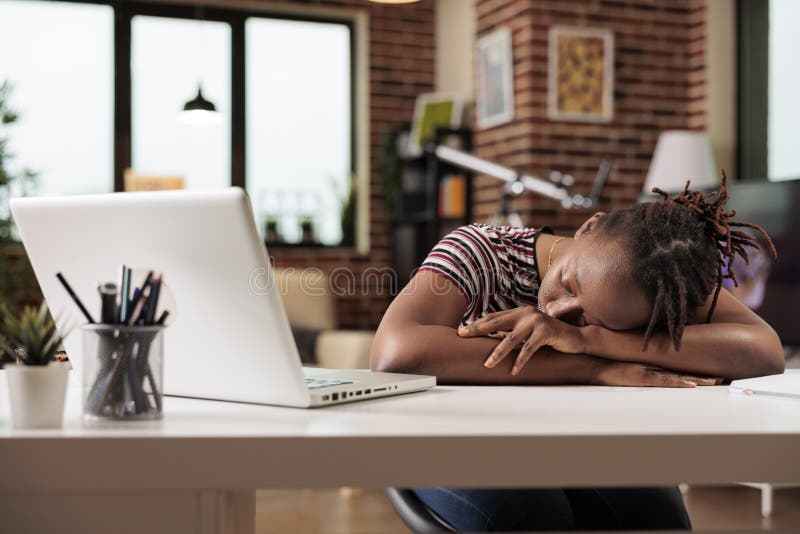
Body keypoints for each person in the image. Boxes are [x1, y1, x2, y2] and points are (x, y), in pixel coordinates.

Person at [370, 175, 784, 532]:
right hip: (454, 437)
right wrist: (593, 369)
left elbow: (764, 353)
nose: (555, 311)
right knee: (536, 514)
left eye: (590, 317)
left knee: (657, 519)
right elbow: (395, 354)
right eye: (569, 283)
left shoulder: (654, 280)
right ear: (589, 226)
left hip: (577, 442)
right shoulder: (480, 251)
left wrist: (592, 341)